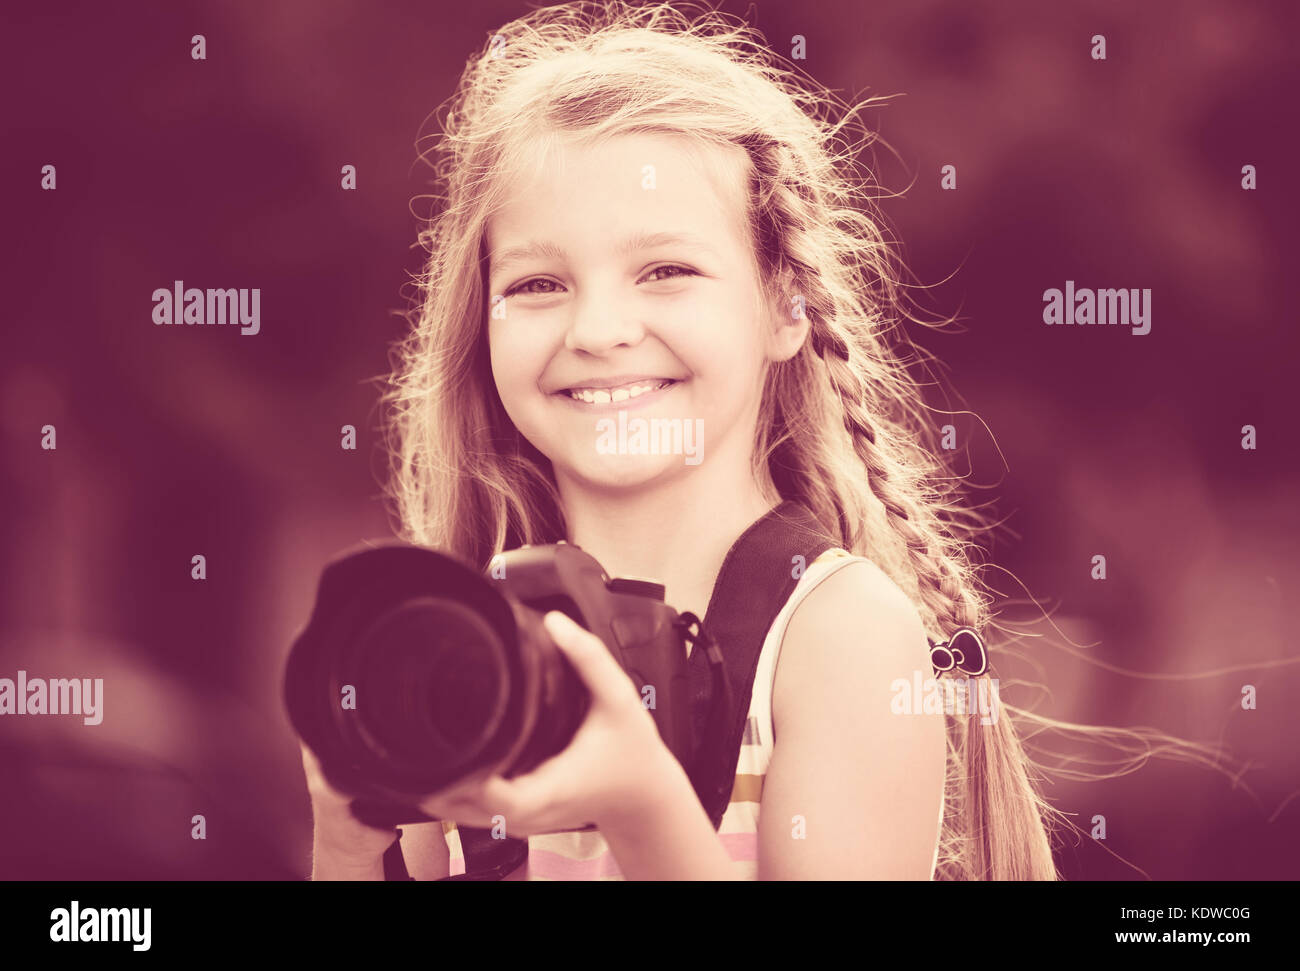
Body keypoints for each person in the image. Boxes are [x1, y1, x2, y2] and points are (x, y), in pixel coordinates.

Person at [304, 0, 1062, 880]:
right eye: (540, 282)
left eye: (666, 271)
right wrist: (347, 841)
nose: (597, 328)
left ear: (787, 305)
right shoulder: (470, 642)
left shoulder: (840, 635)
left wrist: (641, 804)